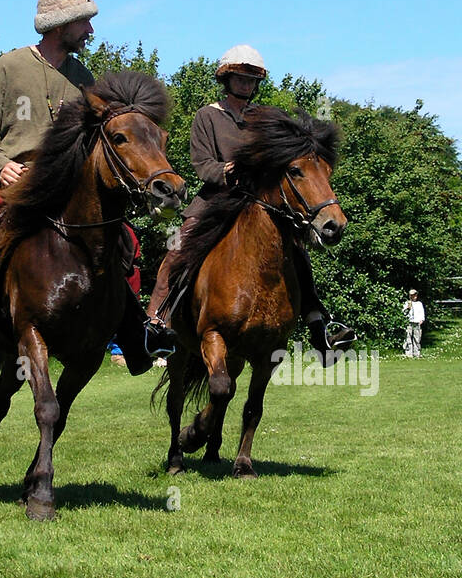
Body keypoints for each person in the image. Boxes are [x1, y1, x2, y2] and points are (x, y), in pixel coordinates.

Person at [0, 0, 166, 369]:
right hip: (9, 178)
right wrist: (0, 166)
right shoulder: (9, 66)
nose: (90, 29)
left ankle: (133, 331)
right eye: (84, 22)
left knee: (125, 239)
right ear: (61, 24)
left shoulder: (85, 82)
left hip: (64, 186)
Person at [144, 44, 354, 362]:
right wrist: (226, 170)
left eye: (251, 80)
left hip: (261, 204)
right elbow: (201, 163)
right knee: (177, 249)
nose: (245, 85)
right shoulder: (207, 116)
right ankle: (157, 323)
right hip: (216, 200)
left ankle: (318, 325)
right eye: (239, 78)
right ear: (226, 80)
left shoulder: (266, 119)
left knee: (297, 254)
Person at [403, 289, 426, 357]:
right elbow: (404, 313)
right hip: (409, 322)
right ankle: (409, 353)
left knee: (417, 338)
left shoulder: (419, 303)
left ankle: (417, 353)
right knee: (408, 337)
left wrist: (421, 320)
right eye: (412, 295)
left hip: (417, 322)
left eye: (415, 295)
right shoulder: (407, 303)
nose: (414, 296)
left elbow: (422, 313)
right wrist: (407, 308)